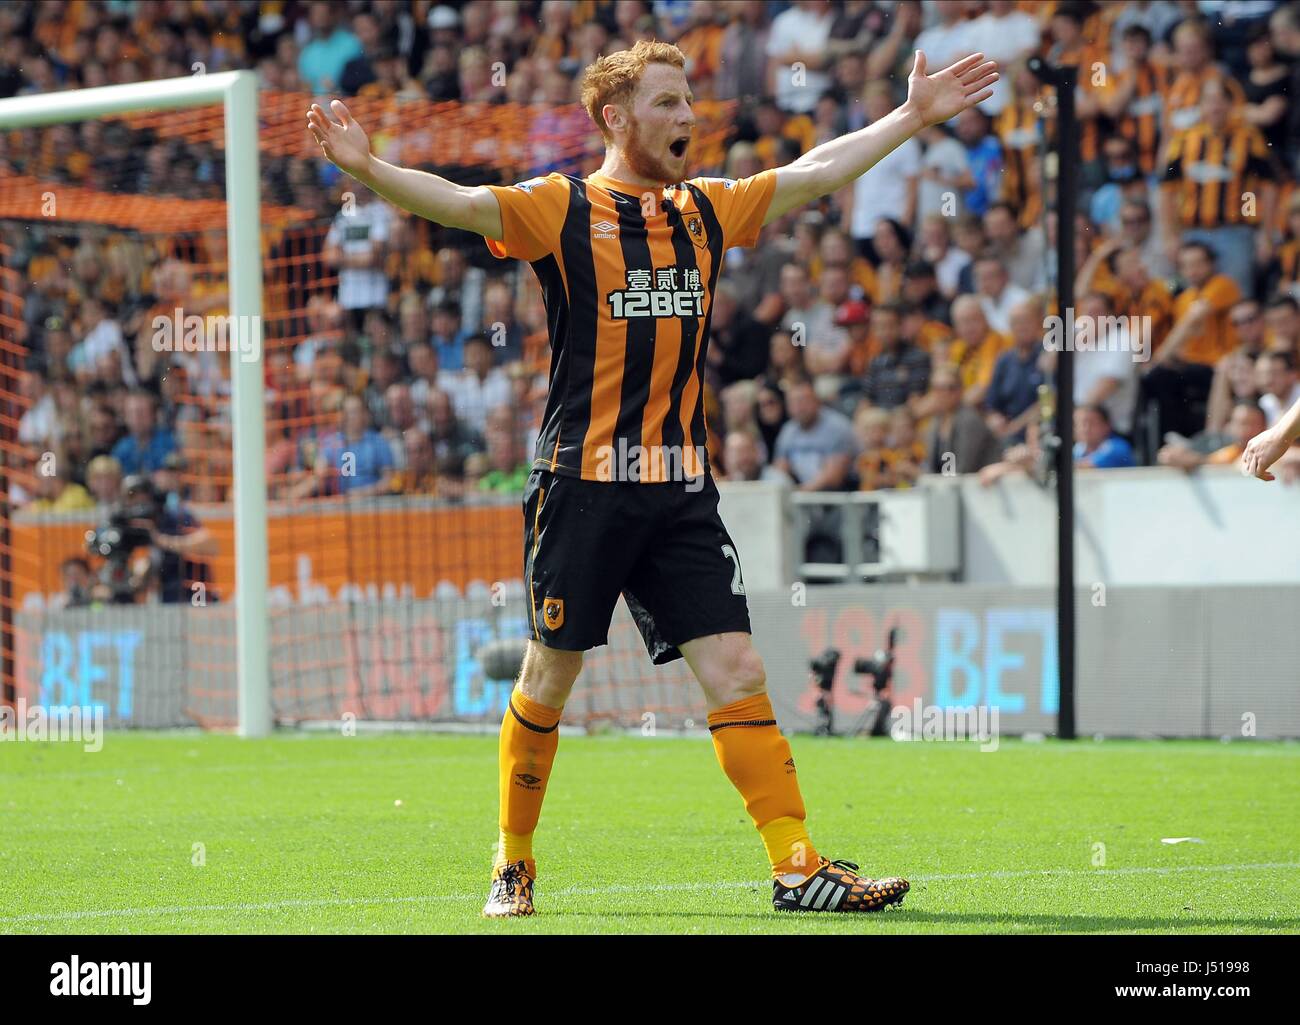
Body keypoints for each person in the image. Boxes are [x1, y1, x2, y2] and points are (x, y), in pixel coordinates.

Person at [309, 37, 997, 918]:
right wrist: (371, 169)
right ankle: (513, 858)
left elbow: (815, 171)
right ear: (616, 117)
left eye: (688, 100)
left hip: (679, 491)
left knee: (737, 666)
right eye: (668, 103)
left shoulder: (706, 210)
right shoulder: (561, 208)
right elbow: (462, 204)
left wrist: (908, 116)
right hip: (582, 486)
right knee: (550, 675)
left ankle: (797, 864)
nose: (688, 117)